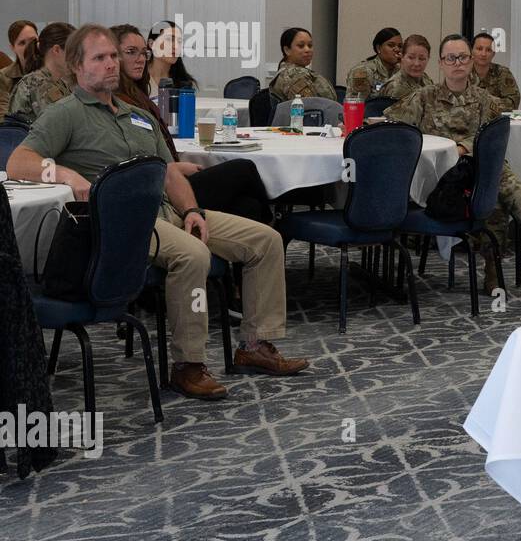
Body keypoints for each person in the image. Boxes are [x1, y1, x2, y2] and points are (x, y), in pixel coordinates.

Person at [6, 24, 309, 401]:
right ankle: (189, 365)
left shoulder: (139, 116)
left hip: (168, 209)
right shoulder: (66, 114)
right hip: (124, 222)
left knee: (265, 240)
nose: (112, 65)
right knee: (193, 255)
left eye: (114, 56)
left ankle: (256, 346)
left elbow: (168, 173)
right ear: (76, 67)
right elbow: (19, 162)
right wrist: (67, 174)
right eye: (100, 58)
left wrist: (193, 209)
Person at [385, 34, 521, 292]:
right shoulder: (424, 97)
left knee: (493, 184)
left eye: (462, 57)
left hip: (473, 171)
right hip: (439, 175)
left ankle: (495, 263)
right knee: (494, 176)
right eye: (451, 58)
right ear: (441, 63)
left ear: (471, 61)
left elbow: (490, 137)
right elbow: (394, 124)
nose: (457, 62)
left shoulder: (484, 100)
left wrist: (465, 147)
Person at [113, 24, 273, 225]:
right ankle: (276, 223)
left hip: (170, 172)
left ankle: (263, 238)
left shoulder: (140, 92)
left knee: (248, 206)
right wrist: (173, 168)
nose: (140, 59)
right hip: (163, 187)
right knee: (244, 167)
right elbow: (135, 153)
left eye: (143, 53)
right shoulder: (121, 100)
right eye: (131, 52)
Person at [8, 22, 75, 125]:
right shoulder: (38, 84)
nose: (77, 57)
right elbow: (62, 127)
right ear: (56, 50)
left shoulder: (58, 82)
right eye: (73, 51)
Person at [269, 27, 335, 102]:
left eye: (310, 45)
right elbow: (311, 106)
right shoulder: (293, 75)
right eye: (301, 46)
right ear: (287, 50)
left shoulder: (298, 72)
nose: (307, 50)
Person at [345, 27, 403, 99]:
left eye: (400, 46)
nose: (397, 49)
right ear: (378, 48)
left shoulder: (402, 70)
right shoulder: (363, 71)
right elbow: (355, 104)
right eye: (391, 45)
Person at [468, 32, 520, 110]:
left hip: (495, 119)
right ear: (471, 51)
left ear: (493, 54)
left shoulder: (502, 73)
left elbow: (513, 103)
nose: (483, 54)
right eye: (479, 49)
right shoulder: (462, 72)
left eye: (488, 50)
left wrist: (486, 100)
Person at [145, 20, 198, 98]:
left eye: (179, 41)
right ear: (152, 44)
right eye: (169, 39)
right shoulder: (138, 76)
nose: (176, 46)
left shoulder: (184, 82)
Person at [375, 34, 433, 102]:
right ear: (402, 57)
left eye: (422, 58)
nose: (416, 63)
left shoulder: (425, 79)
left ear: (428, 59)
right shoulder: (395, 87)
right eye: (411, 58)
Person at [1, 20, 37, 116]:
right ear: (13, 48)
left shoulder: (53, 71)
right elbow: (4, 117)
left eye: (33, 40)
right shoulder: (3, 77)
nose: (29, 46)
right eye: (22, 43)